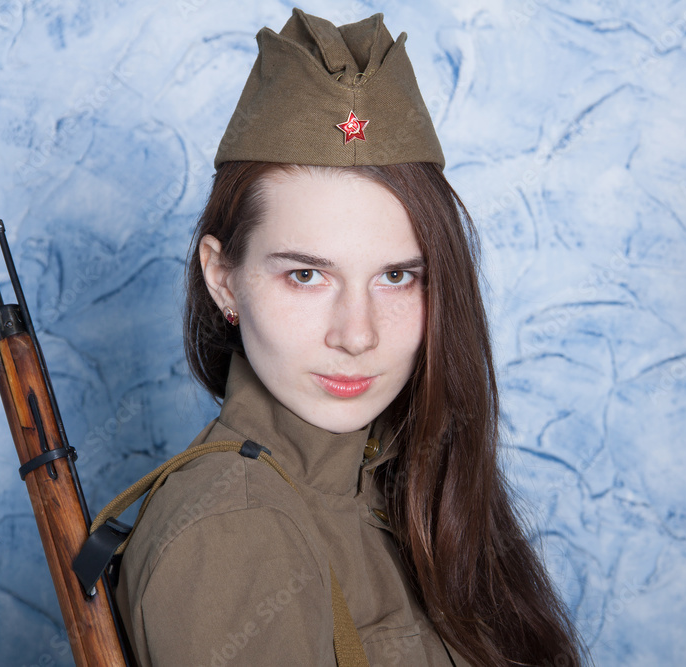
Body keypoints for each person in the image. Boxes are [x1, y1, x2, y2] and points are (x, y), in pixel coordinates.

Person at [115, 8, 584, 666]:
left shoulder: (403, 488)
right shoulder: (232, 531)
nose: (358, 334)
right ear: (223, 279)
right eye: (306, 274)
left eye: (395, 276)